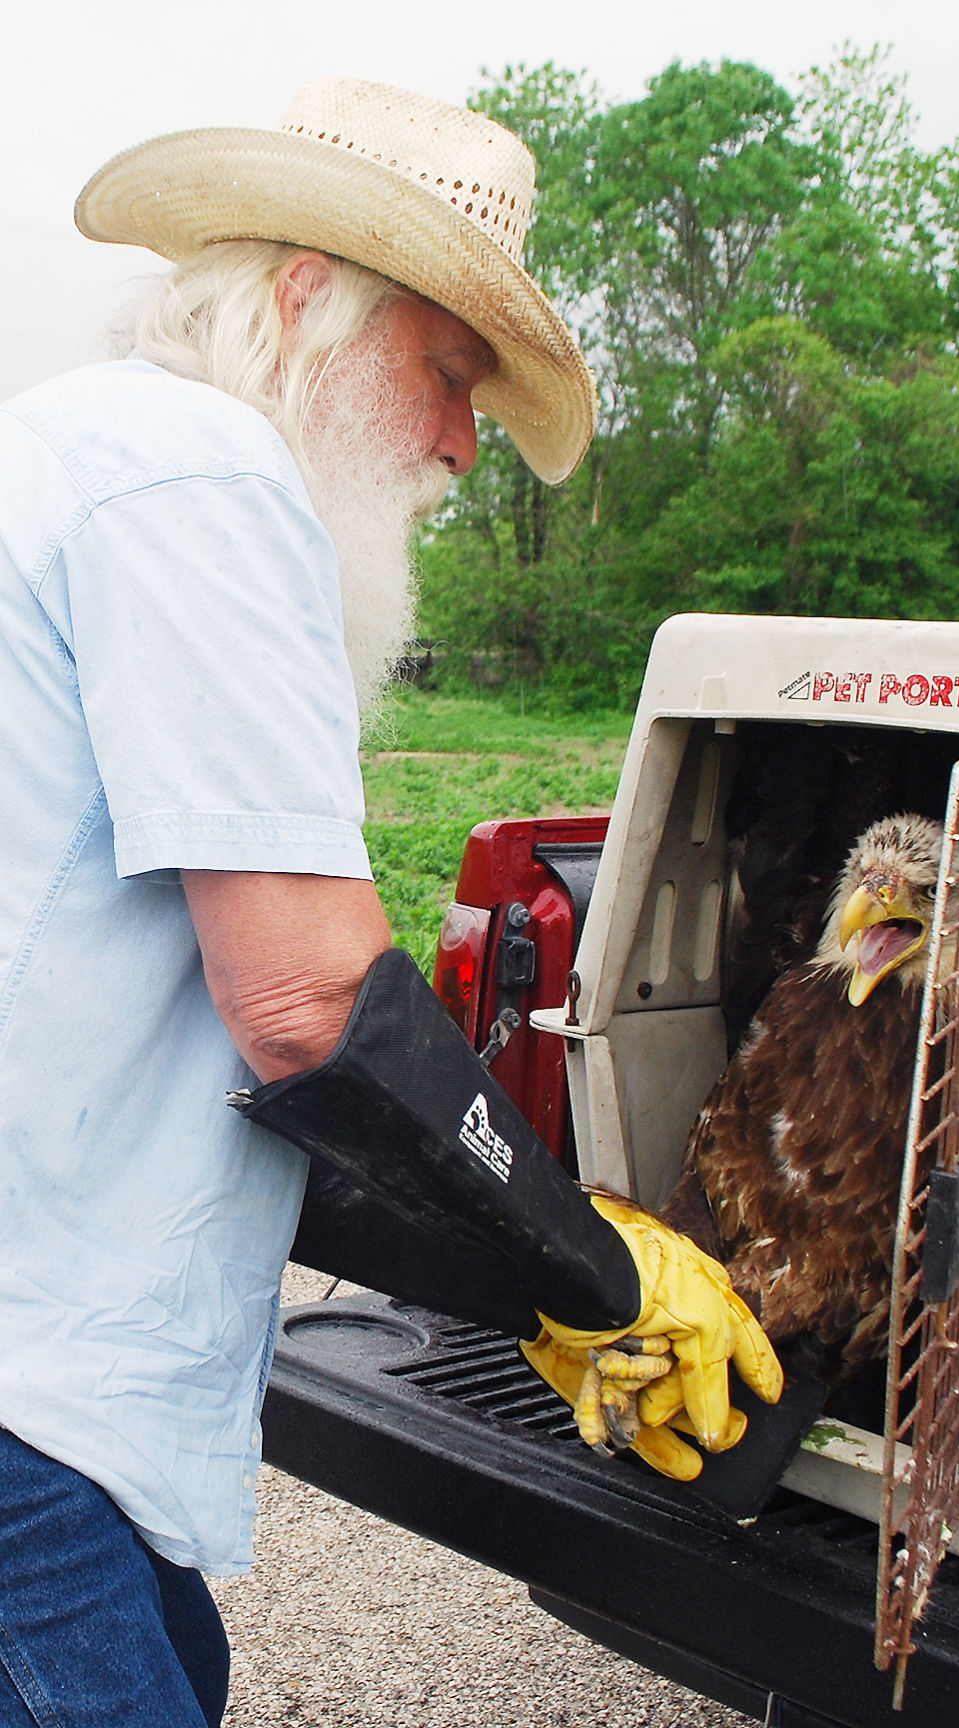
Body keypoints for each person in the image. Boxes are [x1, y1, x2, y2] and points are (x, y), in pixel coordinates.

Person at [0, 79, 782, 1728]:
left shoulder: (72, 453)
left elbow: (228, 1076)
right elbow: (307, 1008)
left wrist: (538, 1277)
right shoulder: (198, 476)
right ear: (305, 300)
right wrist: (600, 1274)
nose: (458, 441)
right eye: (447, 370)